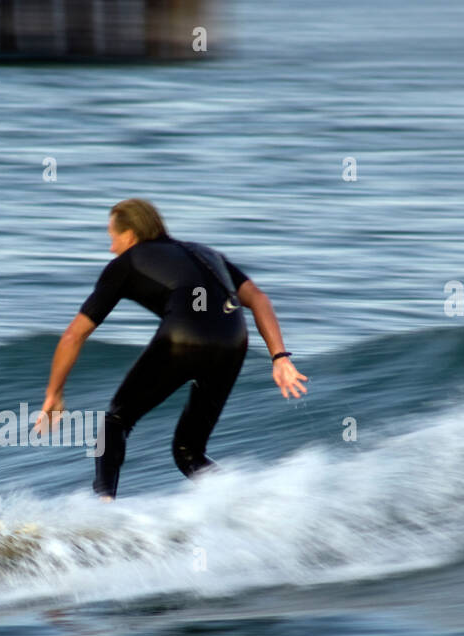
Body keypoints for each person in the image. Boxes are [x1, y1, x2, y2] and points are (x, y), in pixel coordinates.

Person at [35, 198, 308, 499]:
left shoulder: (125, 264)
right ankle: (248, 502)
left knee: (115, 421)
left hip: (183, 336)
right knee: (188, 451)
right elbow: (258, 298)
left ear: (129, 234)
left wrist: (54, 394)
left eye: (112, 238)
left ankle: (102, 509)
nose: (111, 247)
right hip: (233, 341)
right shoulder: (205, 253)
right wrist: (279, 357)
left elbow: (74, 336)